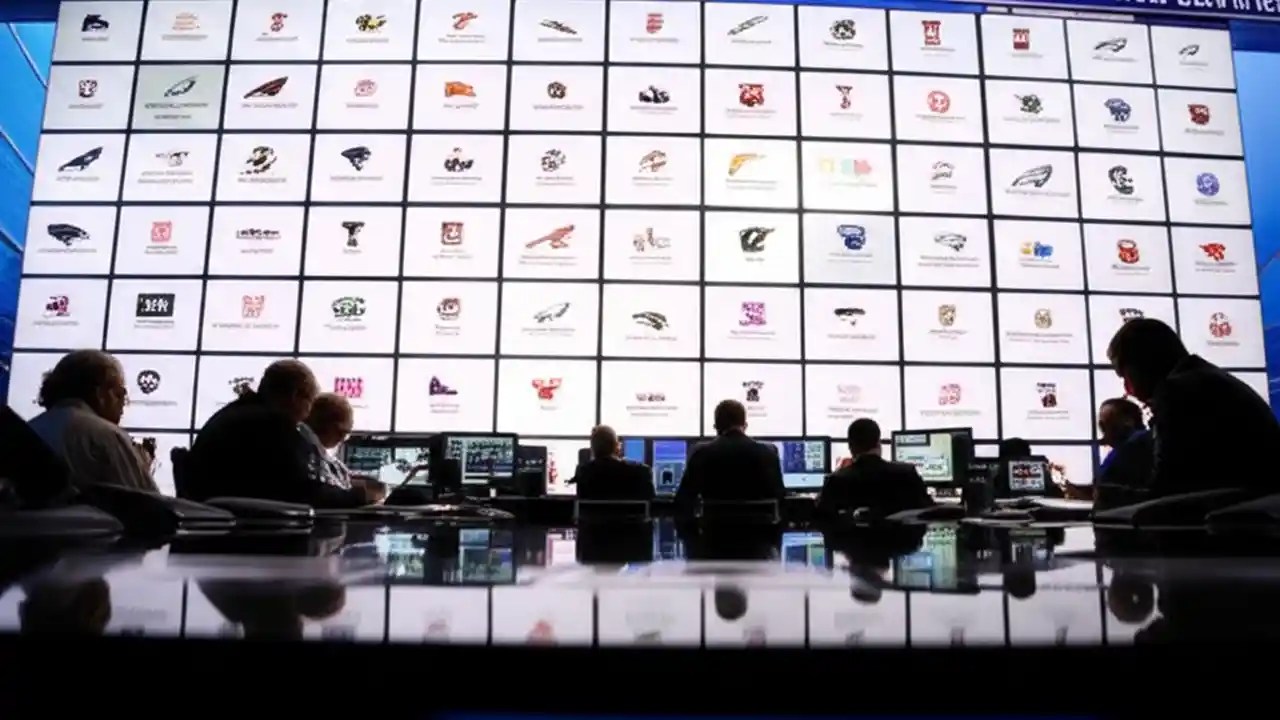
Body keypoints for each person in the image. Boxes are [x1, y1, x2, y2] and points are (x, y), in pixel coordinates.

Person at [1108, 317, 1280, 497]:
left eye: (1124, 375)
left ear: (1140, 364)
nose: (1128, 390)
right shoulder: (1204, 380)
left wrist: (1113, 497)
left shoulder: (1176, 393)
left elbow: (1168, 491)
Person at [187, 360, 381, 508]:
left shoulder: (237, 416)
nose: (308, 413)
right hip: (247, 540)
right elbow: (304, 493)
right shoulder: (272, 428)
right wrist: (359, 496)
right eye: (309, 402)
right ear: (296, 396)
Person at [26, 350, 157, 493]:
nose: (124, 404)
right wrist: (136, 466)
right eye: (119, 393)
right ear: (100, 393)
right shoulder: (107, 436)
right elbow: (146, 508)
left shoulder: (26, 431)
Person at [674, 400, 784, 512]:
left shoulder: (701, 454)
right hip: (759, 528)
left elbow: (683, 501)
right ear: (745, 426)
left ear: (716, 427)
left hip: (714, 528)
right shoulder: (768, 453)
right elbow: (780, 499)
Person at [816, 419, 931, 518]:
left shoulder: (836, 480)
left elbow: (820, 517)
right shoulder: (907, 473)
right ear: (878, 443)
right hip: (897, 542)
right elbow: (929, 511)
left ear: (850, 447)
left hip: (851, 543)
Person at [300, 393, 387, 502]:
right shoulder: (308, 453)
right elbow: (322, 494)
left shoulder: (317, 452)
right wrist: (363, 496)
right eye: (345, 432)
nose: (342, 439)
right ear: (334, 428)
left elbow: (342, 476)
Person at [1076, 397, 1154, 506]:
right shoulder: (1127, 445)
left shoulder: (1134, 444)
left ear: (1128, 421)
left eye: (1106, 424)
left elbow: (1103, 486)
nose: (1103, 430)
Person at [571, 425, 654, 501]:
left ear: (593, 449)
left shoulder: (583, 472)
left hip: (596, 517)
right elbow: (652, 501)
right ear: (617, 446)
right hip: (629, 517)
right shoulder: (642, 472)